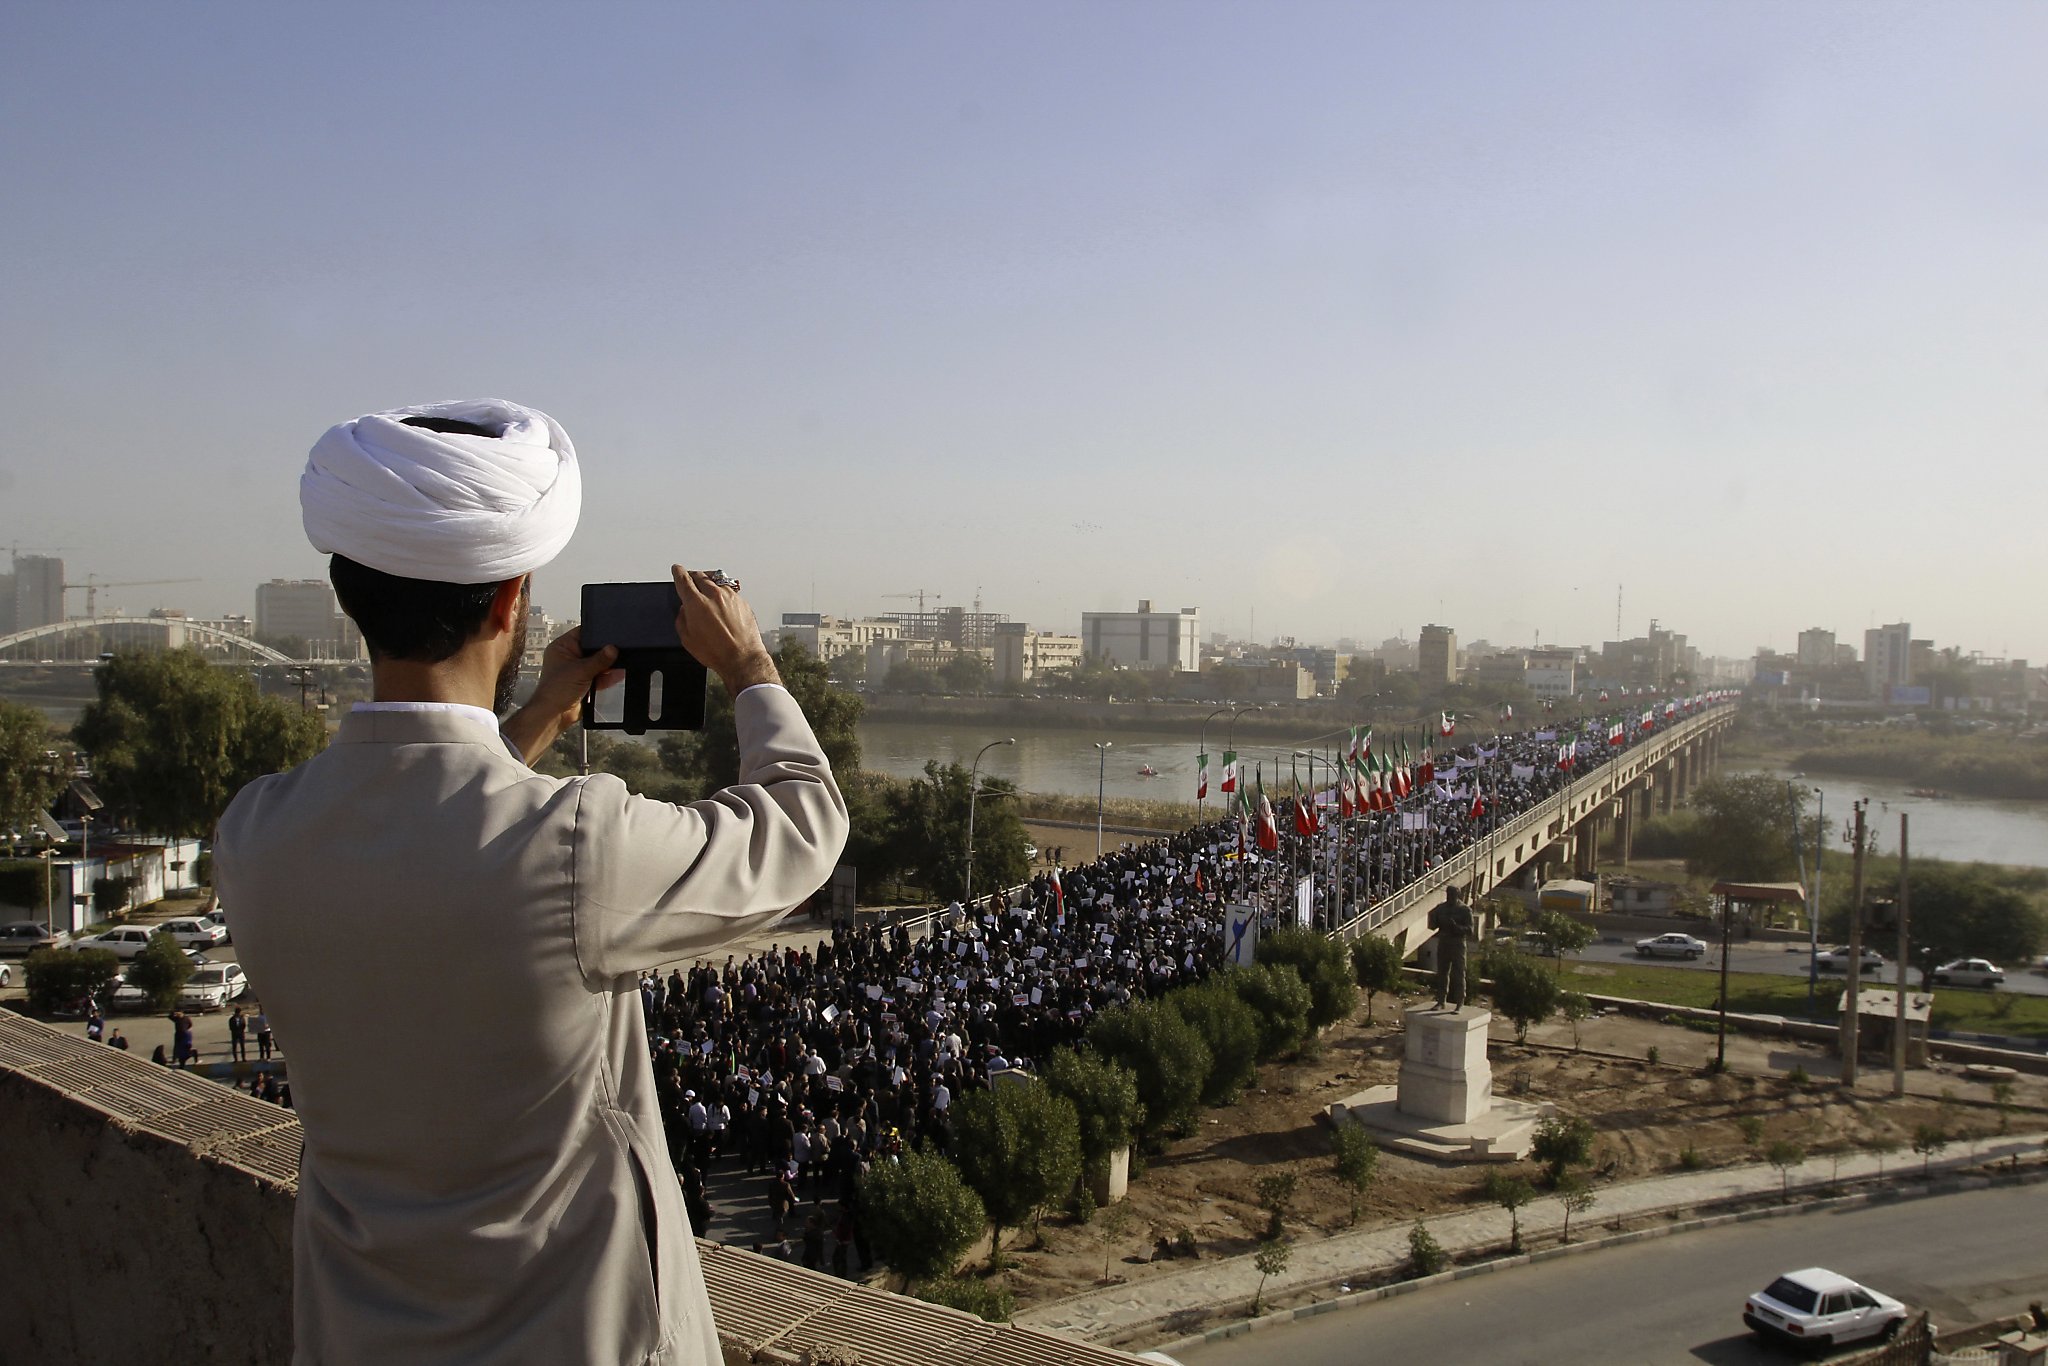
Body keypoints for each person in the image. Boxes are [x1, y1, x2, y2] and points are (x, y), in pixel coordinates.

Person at [216, 400, 849, 1366]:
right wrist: (748, 663)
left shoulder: (257, 833)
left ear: (349, 593)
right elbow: (801, 827)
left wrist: (539, 718)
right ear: (510, 601)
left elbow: (428, 838)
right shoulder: (576, 843)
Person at [1427, 884, 1475, 1009]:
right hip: (1444, 943)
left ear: (1458, 895)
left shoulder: (1464, 910)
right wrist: (1432, 919)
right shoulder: (1441, 908)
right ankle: (1441, 1001)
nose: (1450, 897)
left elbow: (1470, 930)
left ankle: (1459, 1002)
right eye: (1448, 894)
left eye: (1453, 895)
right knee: (1442, 973)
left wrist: (1456, 927)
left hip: (1458, 944)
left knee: (1459, 974)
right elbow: (1432, 925)